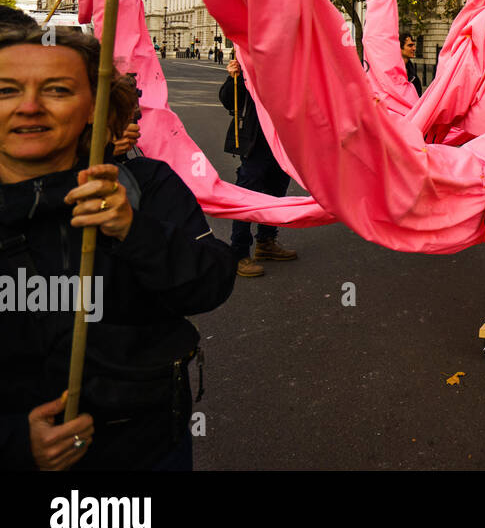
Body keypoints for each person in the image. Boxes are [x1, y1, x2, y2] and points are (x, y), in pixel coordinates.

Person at [0, 24, 235, 470]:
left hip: (143, 444)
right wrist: (15, 440)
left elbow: (210, 285)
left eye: (56, 90)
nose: (29, 107)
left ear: (95, 107)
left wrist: (134, 231)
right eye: (6, 90)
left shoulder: (145, 186)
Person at [218, 58, 296, 278]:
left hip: (282, 142)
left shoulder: (290, 66)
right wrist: (233, 76)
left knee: (276, 193)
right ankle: (239, 252)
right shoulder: (248, 67)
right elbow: (228, 101)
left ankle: (266, 242)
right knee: (247, 194)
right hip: (256, 142)